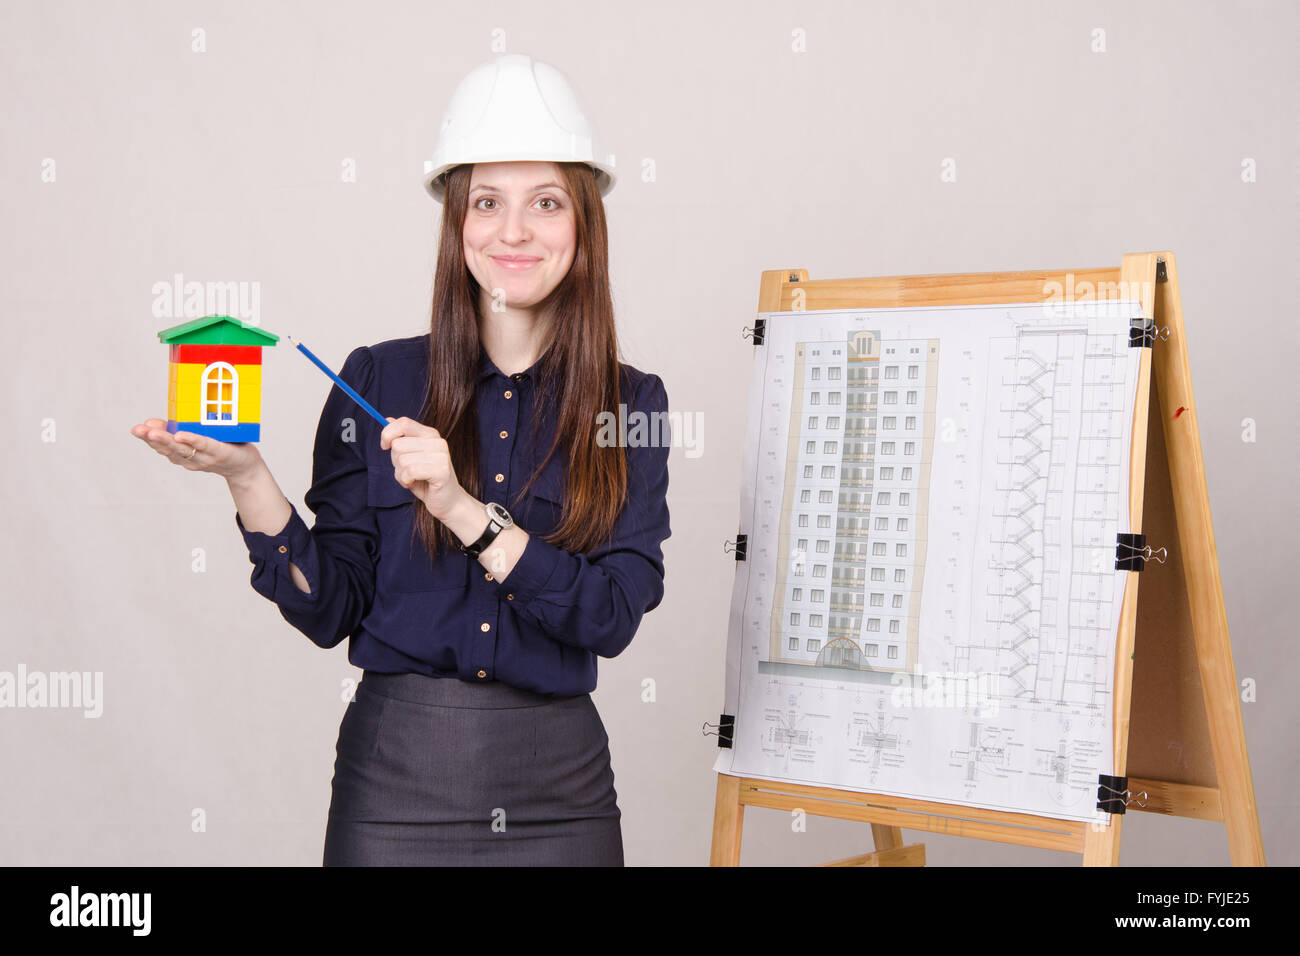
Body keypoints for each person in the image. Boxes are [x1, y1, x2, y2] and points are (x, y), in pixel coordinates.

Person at [129, 53, 671, 866]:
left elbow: (612, 616)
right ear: (457, 225)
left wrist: (459, 509)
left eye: (546, 203)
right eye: (487, 202)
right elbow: (330, 609)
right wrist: (247, 479)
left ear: (584, 225)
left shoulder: (634, 405)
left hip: (562, 791)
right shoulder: (376, 380)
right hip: (396, 786)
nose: (514, 231)